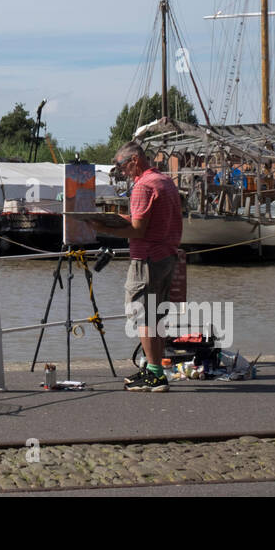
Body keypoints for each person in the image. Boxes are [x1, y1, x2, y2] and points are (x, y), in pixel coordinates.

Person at [93, 141, 183, 392]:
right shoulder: (165, 181)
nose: (121, 172)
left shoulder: (143, 186)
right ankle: (154, 370)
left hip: (147, 260)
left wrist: (103, 227)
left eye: (121, 166)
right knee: (156, 316)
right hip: (166, 256)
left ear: (134, 160)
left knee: (143, 316)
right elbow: (148, 220)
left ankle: (155, 373)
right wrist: (120, 218)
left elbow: (138, 229)